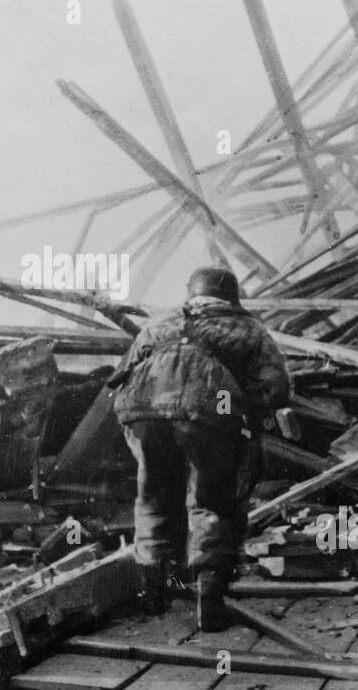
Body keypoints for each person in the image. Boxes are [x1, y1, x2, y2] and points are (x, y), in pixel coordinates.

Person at [108, 266, 289, 631]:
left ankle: (154, 592)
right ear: (231, 296)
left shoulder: (159, 324)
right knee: (213, 502)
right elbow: (276, 388)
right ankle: (209, 599)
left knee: (154, 497)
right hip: (207, 413)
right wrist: (242, 411)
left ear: (192, 293)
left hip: (142, 413)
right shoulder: (248, 329)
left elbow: (120, 374)